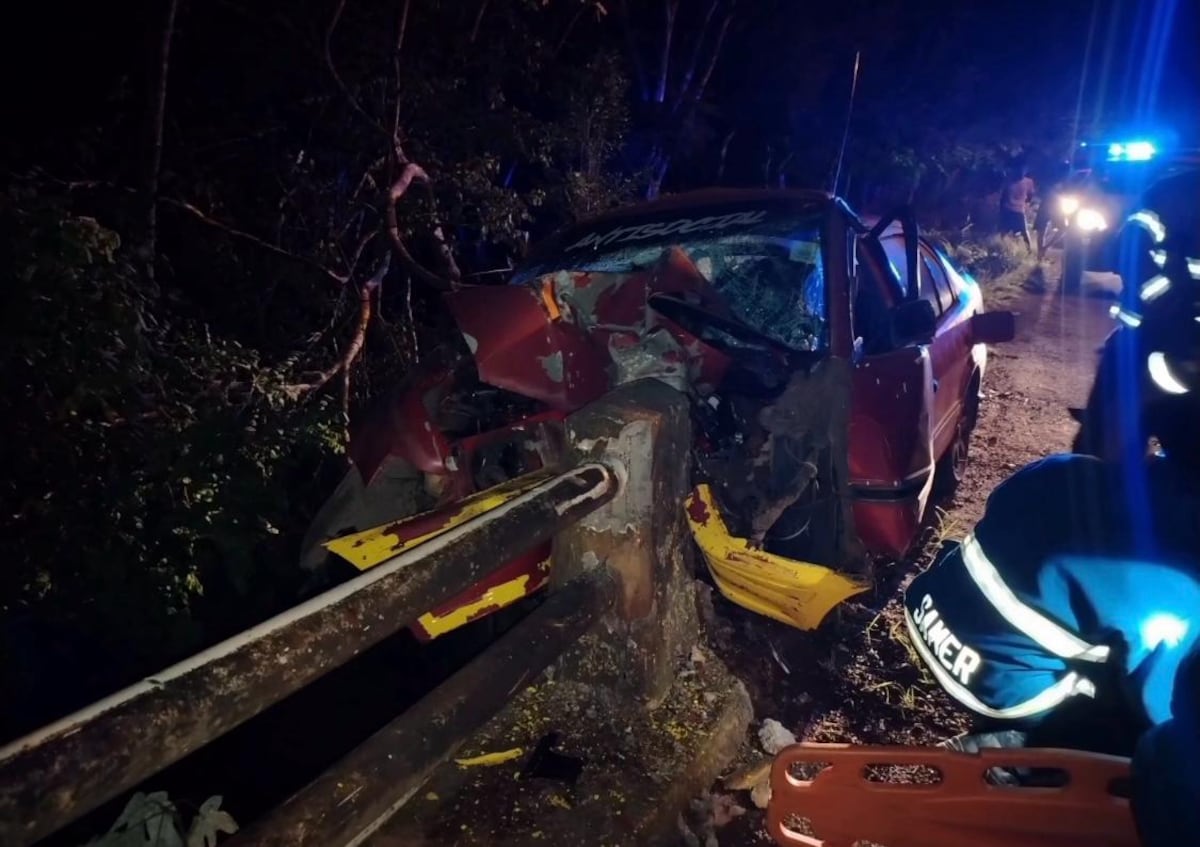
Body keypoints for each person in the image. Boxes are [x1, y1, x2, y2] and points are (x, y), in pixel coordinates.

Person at [903, 167, 1200, 762]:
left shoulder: (1067, 476)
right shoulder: (1181, 588)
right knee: (1139, 741)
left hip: (934, 605)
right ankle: (1030, 755)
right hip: (1000, 678)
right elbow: (1168, 715)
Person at [998, 165, 1035, 250]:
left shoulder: (1026, 182)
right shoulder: (1011, 182)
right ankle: (1003, 248)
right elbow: (1004, 195)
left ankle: (1028, 250)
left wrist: (1026, 201)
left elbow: (1030, 195)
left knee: (1021, 232)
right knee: (1006, 231)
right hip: (1011, 209)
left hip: (1016, 209)